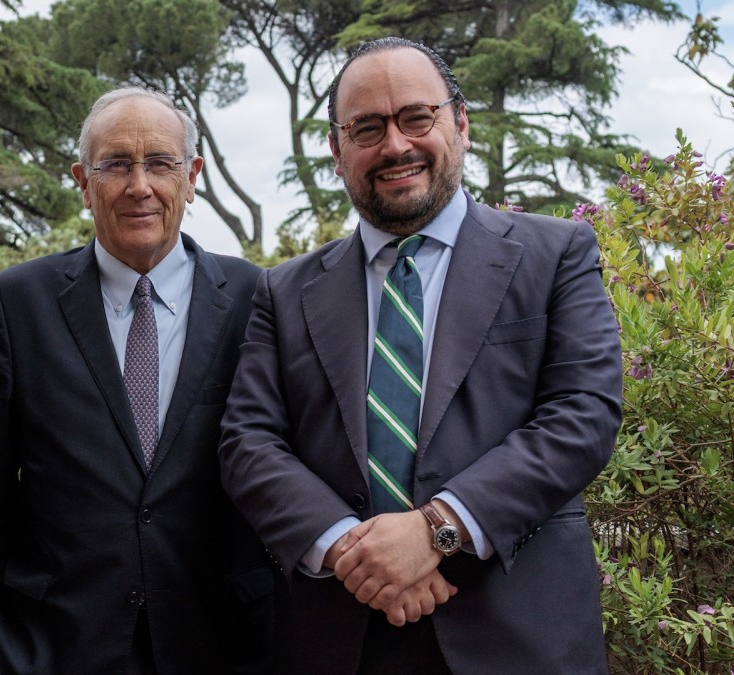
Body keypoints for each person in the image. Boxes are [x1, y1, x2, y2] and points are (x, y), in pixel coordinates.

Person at [219, 37, 622, 675]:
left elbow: (583, 413)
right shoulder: (284, 290)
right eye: (367, 128)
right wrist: (356, 552)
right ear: (336, 149)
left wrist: (438, 527)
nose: (396, 146)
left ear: (459, 124)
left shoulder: (557, 255)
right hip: (338, 638)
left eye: (416, 117)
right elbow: (249, 443)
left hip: (520, 638)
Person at [0, 86, 274, 674]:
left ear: (192, 175)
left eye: (160, 163)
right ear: (83, 180)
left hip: (222, 640)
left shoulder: (256, 296)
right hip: (51, 644)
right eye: (117, 164)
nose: (140, 186)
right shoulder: (19, 300)